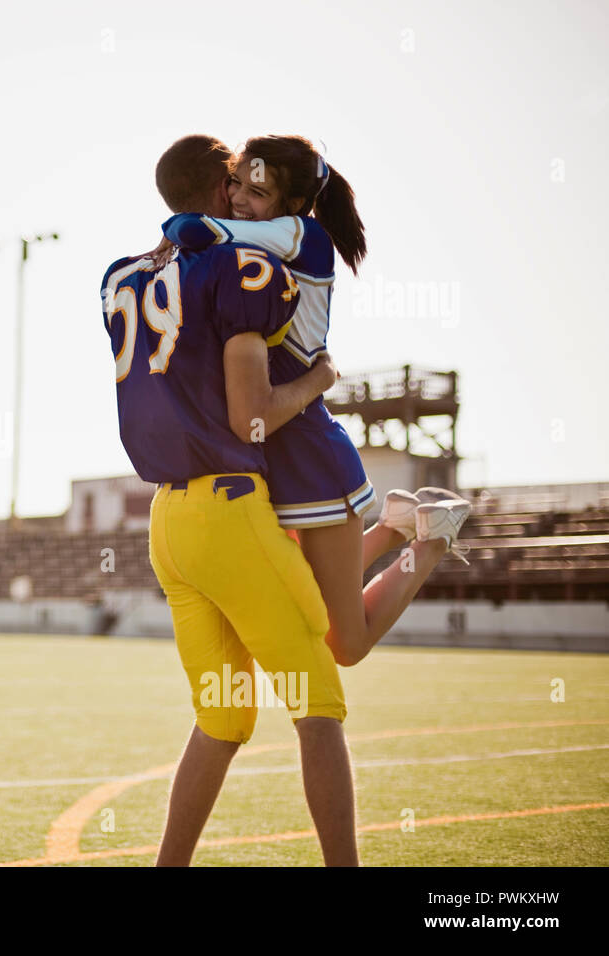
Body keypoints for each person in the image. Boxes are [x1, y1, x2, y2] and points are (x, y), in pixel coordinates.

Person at [103, 134, 355, 865]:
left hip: (168, 524)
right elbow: (253, 416)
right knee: (319, 709)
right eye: (238, 182)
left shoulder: (120, 276)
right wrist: (316, 383)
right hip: (228, 508)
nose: (244, 191)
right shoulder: (237, 269)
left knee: (221, 716)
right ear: (223, 189)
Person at [144, 134, 470, 666]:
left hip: (311, 456)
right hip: (266, 455)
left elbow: (191, 226)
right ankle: (391, 526)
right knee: (306, 600)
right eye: (235, 182)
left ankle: (431, 538)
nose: (241, 197)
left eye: (257, 189)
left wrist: (173, 234)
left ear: (291, 204)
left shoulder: (302, 235)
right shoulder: (253, 243)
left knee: (347, 644)